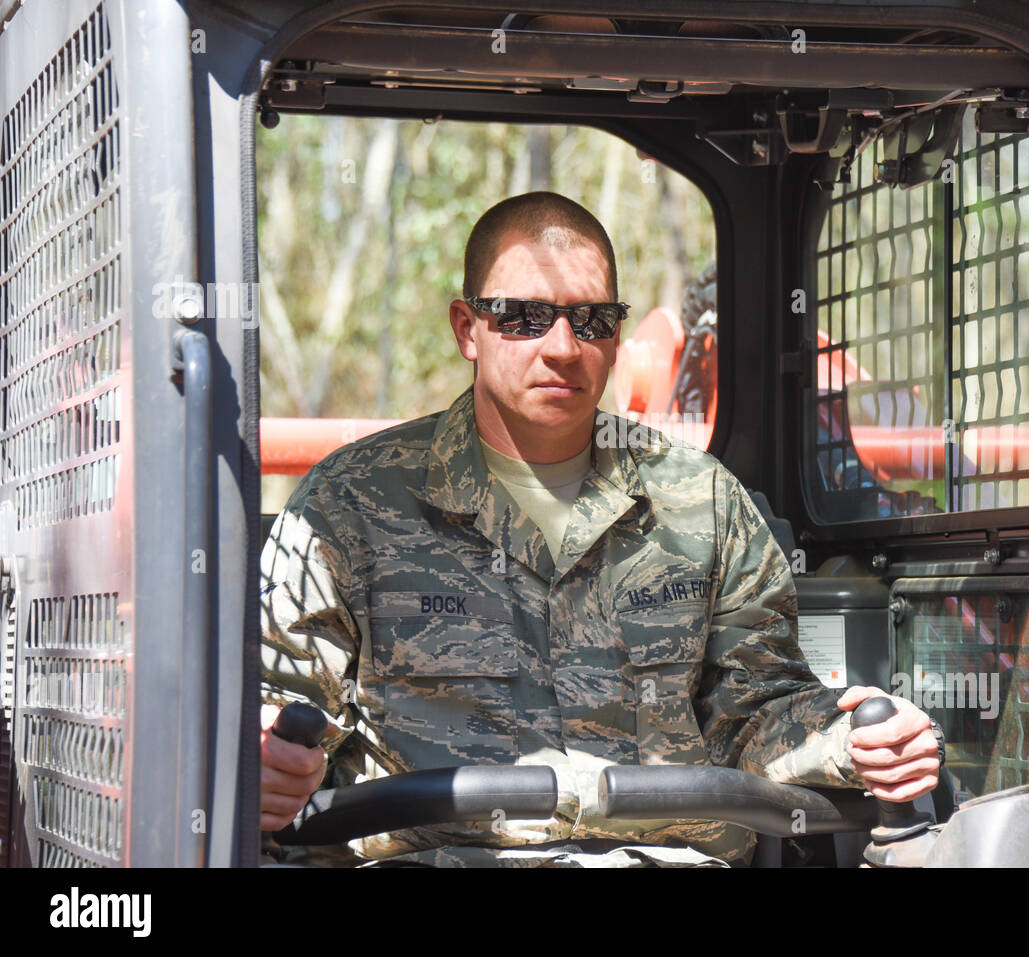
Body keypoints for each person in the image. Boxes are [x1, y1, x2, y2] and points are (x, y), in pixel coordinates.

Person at [259, 191, 942, 867]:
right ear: (467, 328)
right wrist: (265, 757)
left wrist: (851, 740)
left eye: (590, 320)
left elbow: (756, 709)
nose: (562, 347)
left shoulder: (700, 501)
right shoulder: (349, 504)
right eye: (524, 317)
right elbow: (285, 710)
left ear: (616, 336)